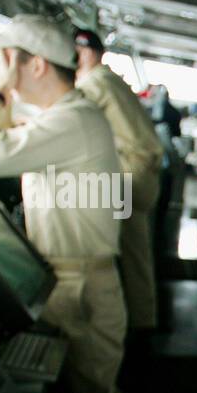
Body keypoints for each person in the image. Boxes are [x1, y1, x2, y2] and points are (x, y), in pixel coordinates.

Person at [0, 14, 197, 393]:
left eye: (7, 60)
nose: (0, 69)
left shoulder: (73, 120)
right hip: (73, 283)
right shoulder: (69, 117)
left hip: (81, 290)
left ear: (32, 65)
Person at [73, 27, 165, 337]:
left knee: (117, 256)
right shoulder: (108, 78)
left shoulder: (94, 83)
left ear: (82, 53)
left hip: (128, 176)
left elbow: (64, 117)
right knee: (135, 253)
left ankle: (134, 329)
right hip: (141, 173)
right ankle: (143, 319)